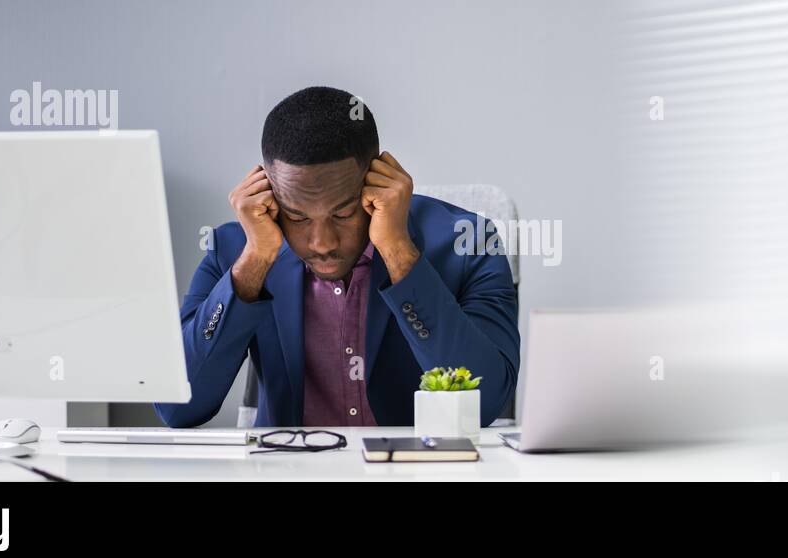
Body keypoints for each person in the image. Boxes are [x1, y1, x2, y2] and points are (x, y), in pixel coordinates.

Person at [155, 86, 520, 428]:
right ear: (270, 192)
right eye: (297, 217)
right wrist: (253, 264)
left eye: (343, 214)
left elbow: (483, 406)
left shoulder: (470, 242)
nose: (322, 242)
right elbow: (177, 408)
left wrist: (397, 251)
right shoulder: (234, 250)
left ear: (377, 181)